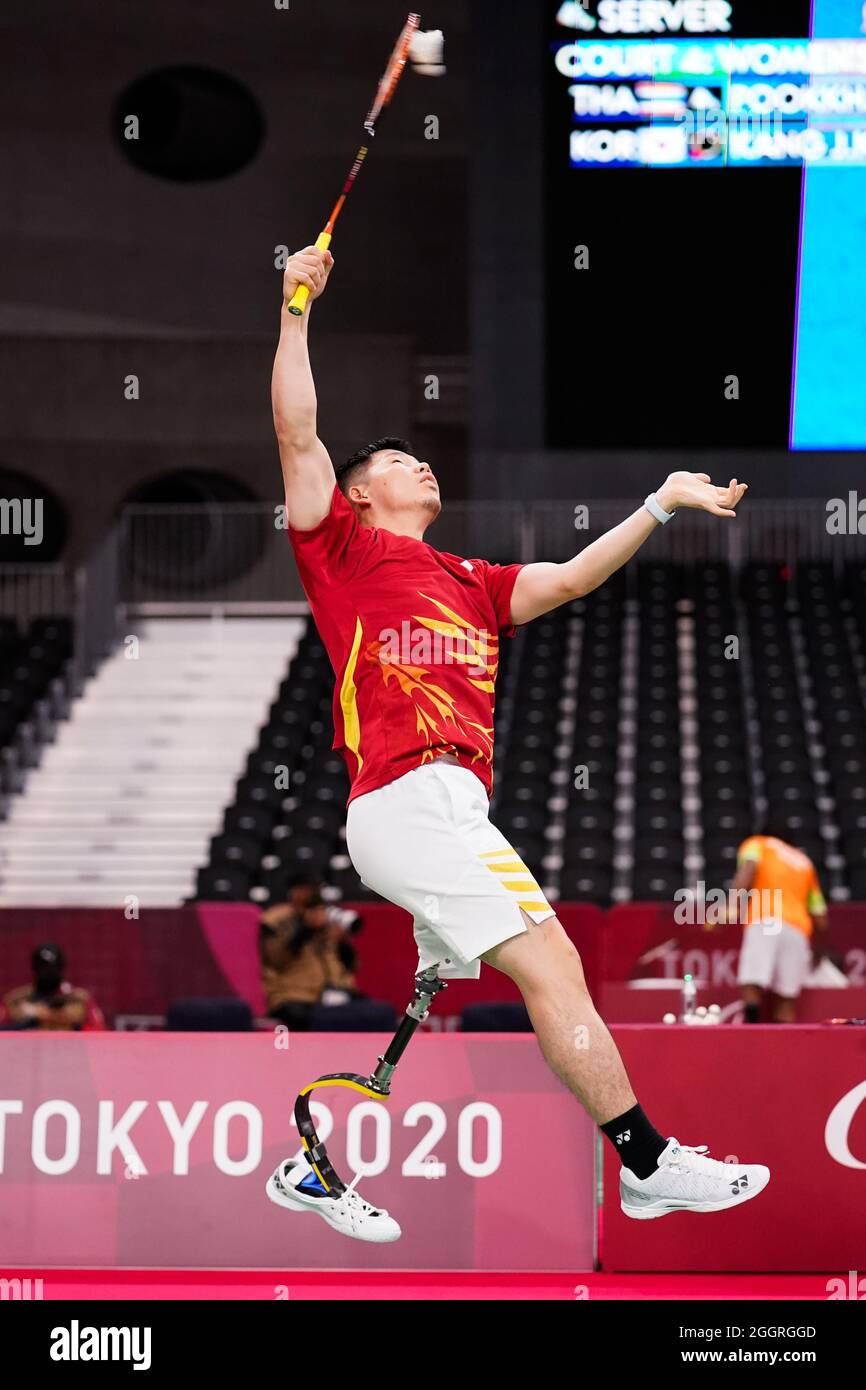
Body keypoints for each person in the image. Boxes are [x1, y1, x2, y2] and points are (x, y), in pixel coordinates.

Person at [266, 243, 766, 1241]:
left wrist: (657, 504)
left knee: (513, 973)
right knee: (550, 965)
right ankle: (645, 1163)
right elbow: (295, 425)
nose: (420, 463)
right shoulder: (339, 547)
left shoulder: (472, 581)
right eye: (399, 459)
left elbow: (574, 576)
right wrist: (295, 305)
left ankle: (309, 1168)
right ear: (359, 493)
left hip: (455, 807)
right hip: (403, 799)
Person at [725, 823, 829, 1023]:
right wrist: (818, 948)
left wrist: (728, 908)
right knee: (786, 998)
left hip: (767, 919)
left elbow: (748, 870)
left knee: (752, 983)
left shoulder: (757, 844)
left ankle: (750, 1038)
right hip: (798, 931)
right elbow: (820, 916)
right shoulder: (804, 862)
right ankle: (786, 1051)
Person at [259, 895, 358, 1032]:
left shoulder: (328, 937)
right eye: (315, 910)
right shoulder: (281, 924)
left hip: (330, 997)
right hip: (293, 998)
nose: (320, 916)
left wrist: (342, 941)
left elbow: (349, 968)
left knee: (380, 1012)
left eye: (322, 910)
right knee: (317, 1017)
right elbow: (278, 960)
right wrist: (306, 928)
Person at [0, 944, 106, 1031]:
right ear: (35, 968)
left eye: (53, 969)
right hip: (27, 1054)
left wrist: (65, 1021)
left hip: (69, 1053)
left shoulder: (79, 1000)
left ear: (61, 968)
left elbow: (99, 1032)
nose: (48, 973)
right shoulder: (15, 1000)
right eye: (43, 968)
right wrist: (27, 1023)